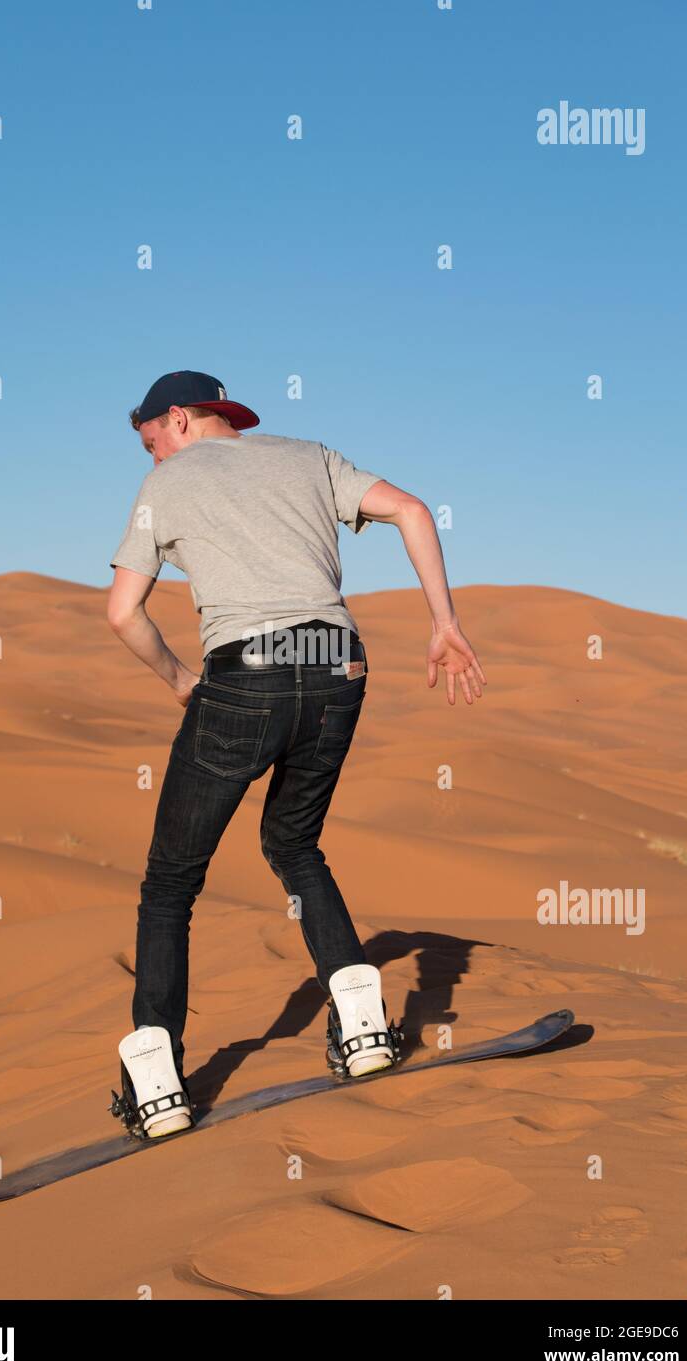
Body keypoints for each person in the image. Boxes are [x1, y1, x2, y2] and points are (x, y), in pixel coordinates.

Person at [107, 370, 486, 1138]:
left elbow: (122, 613)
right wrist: (443, 622)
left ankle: (156, 1082)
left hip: (245, 673)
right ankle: (363, 1024)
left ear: (176, 420)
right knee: (292, 840)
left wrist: (183, 679)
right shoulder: (308, 455)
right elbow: (412, 509)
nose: (151, 460)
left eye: (149, 443)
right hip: (340, 663)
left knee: (171, 881)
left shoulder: (169, 484)